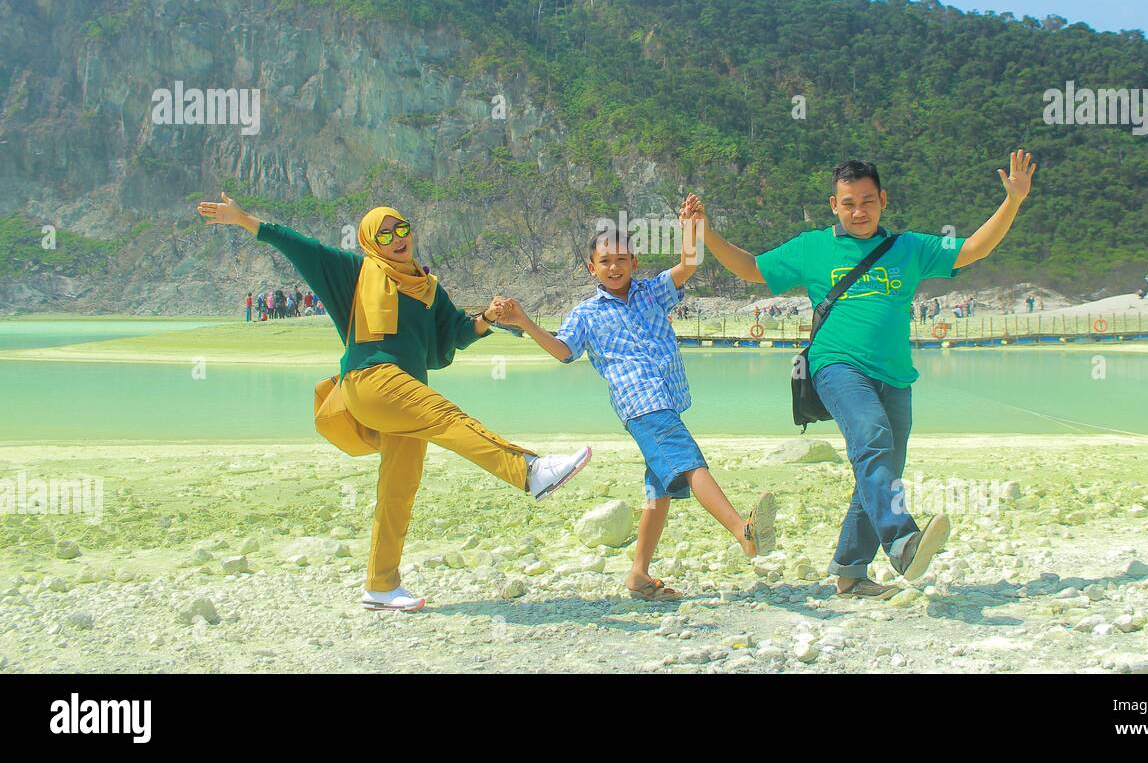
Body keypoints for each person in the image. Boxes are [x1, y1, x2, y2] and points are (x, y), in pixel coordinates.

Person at [196, 192, 591, 612]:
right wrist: (243, 219)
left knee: (398, 488)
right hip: (371, 380)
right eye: (384, 234)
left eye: (401, 228)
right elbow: (299, 245)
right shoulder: (355, 271)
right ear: (370, 242)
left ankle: (380, 585)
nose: (397, 238)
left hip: (404, 392)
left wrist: (488, 318)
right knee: (447, 417)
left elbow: (454, 334)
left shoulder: (427, 287)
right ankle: (529, 470)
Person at [691, 150, 1036, 597]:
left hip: (895, 375)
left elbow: (972, 249)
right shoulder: (813, 247)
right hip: (836, 366)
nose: (859, 211)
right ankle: (903, 540)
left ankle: (851, 573)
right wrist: (707, 233)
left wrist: (1013, 201)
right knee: (872, 438)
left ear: (883, 201)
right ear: (834, 205)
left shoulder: (909, 247)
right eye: (849, 202)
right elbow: (753, 268)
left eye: (867, 201)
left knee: (882, 468)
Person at [493, 202, 777, 601]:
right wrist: (523, 321)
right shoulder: (587, 314)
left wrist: (691, 228)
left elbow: (688, 266)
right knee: (689, 461)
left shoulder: (651, 292)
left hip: (668, 398)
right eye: (605, 261)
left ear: (634, 262)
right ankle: (740, 530)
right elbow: (562, 351)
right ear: (590, 268)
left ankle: (639, 575)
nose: (614, 267)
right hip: (640, 404)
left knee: (658, 490)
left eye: (622, 259)